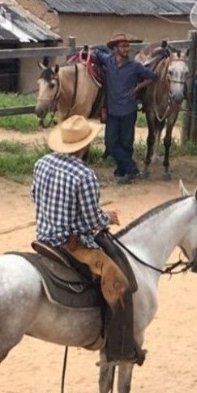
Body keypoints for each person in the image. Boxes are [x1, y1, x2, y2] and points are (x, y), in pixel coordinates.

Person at [32, 115, 144, 365]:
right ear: (84, 146)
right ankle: (121, 347)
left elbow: (35, 197)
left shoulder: (42, 163)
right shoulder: (85, 175)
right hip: (72, 246)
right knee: (120, 283)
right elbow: (90, 220)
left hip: (43, 238)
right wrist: (108, 217)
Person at [93, 32, 157, 184]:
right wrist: (86, 51)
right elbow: (96, 53)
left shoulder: (134, 66)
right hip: (113, 110)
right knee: (110, 142)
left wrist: (138, 88)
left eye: (127, 46)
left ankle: (122, 171)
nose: (126, 49)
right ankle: (132, 169)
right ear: (115, 49)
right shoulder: (108, 61)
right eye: (123, 46)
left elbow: (152, 76)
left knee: (126, 142)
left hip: (128, 109)